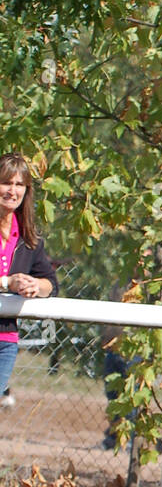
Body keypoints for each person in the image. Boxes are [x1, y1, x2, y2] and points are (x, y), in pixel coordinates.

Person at [0, 153, 58, 406]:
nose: (12, 191)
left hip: (5, 341)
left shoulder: (29, 239)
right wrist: (7, 283)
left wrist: (36, 286)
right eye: (6, 182)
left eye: (19, 184)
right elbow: (8, 281)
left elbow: (51, 283)